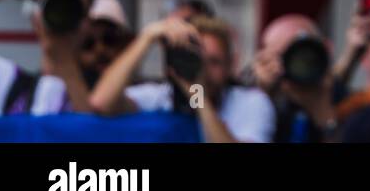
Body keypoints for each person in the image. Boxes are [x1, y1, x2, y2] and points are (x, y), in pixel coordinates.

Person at [90, 14, 274, 143]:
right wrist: (147, 37)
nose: (204, 71)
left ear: (230, 65)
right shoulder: (160, 96)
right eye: (198, 60)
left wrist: (197, 93)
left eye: (214, 62)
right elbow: (101, 103)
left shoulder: (251, 102)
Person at [249, 14, 340, 142]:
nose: (296, 66)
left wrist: (324, 114)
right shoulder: (259, 102)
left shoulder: (354, 104)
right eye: (281, 57)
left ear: (324, 50)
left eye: (305, 56)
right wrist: (262, 96)